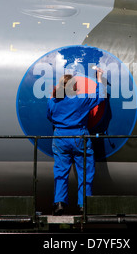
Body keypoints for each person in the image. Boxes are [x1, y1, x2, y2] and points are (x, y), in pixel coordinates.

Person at [47, 68, 105, 215]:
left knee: (60, 171)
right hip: (79, 136)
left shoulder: (53, 101)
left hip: (60, 137)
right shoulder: (81, 100)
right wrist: (99, 78)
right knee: (85, 171)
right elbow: (101, 96)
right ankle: (83, 204)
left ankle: (59, 203)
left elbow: (50, 117)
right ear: (73, 86)